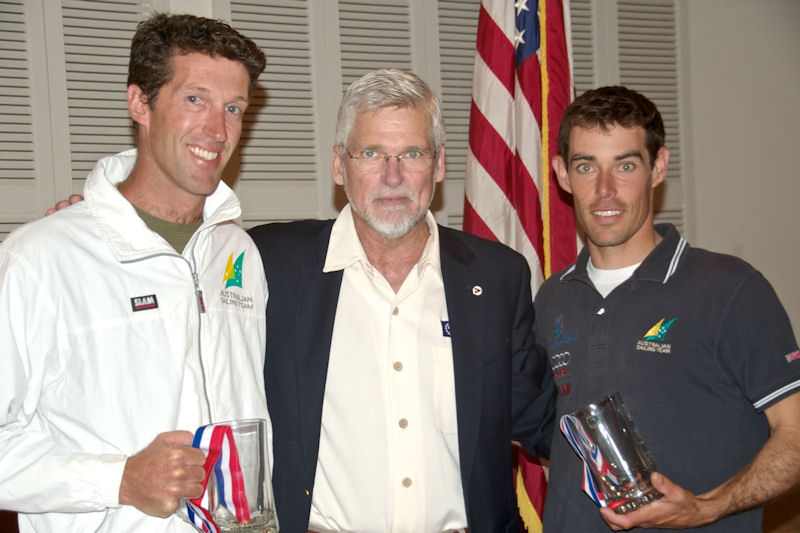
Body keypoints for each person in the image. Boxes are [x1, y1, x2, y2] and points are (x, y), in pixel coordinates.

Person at [247, 68, 556, 532]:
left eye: (412, 153)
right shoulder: (273, 265)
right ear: (339, 165)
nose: (392, 177)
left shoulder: (496, 277)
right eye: (371, 153)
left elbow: (542, 416)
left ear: (439, 164)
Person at [0, 13, 270, 532]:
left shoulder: (238, 255)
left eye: (233, 108)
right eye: (195, 99)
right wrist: (118, 480)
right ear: (139, 103)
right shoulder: (41, 260)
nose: (217, 129)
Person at [535, 85, 800, 531]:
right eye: (586, 166)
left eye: (625, 165)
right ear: (562, 174)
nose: (604, 190)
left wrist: (708, 507)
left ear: (658, 167)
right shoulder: (551, 297)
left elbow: (794, 436)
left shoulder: (730, 289)